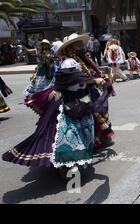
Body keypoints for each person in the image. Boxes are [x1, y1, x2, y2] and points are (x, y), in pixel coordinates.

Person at [2, 34, 112, 178]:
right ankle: (66, 166)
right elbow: (74, 78)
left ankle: (73, 162)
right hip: (69, 102)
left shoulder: (75, 60)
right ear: (71, 48)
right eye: (78, 45)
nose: (81, 47)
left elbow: (80, 76)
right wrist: (93, 80)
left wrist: (96, 78)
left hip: (79, 99)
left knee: (82, 131)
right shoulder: (68, 63)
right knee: (68, 135)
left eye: (81, 44)